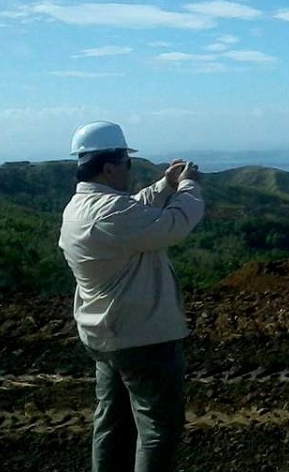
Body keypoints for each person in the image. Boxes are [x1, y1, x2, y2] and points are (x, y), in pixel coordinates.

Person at [58, 120, 205, 472]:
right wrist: (187, 187)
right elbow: (175, 223)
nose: (129, 169)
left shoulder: (81, 209)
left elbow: (132, 210)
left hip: (106, 335)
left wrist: (164, 185)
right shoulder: (109, 213)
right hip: (141, 338)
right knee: (158, 429)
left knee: (112, 424)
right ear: (109, 167)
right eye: (127, 163)